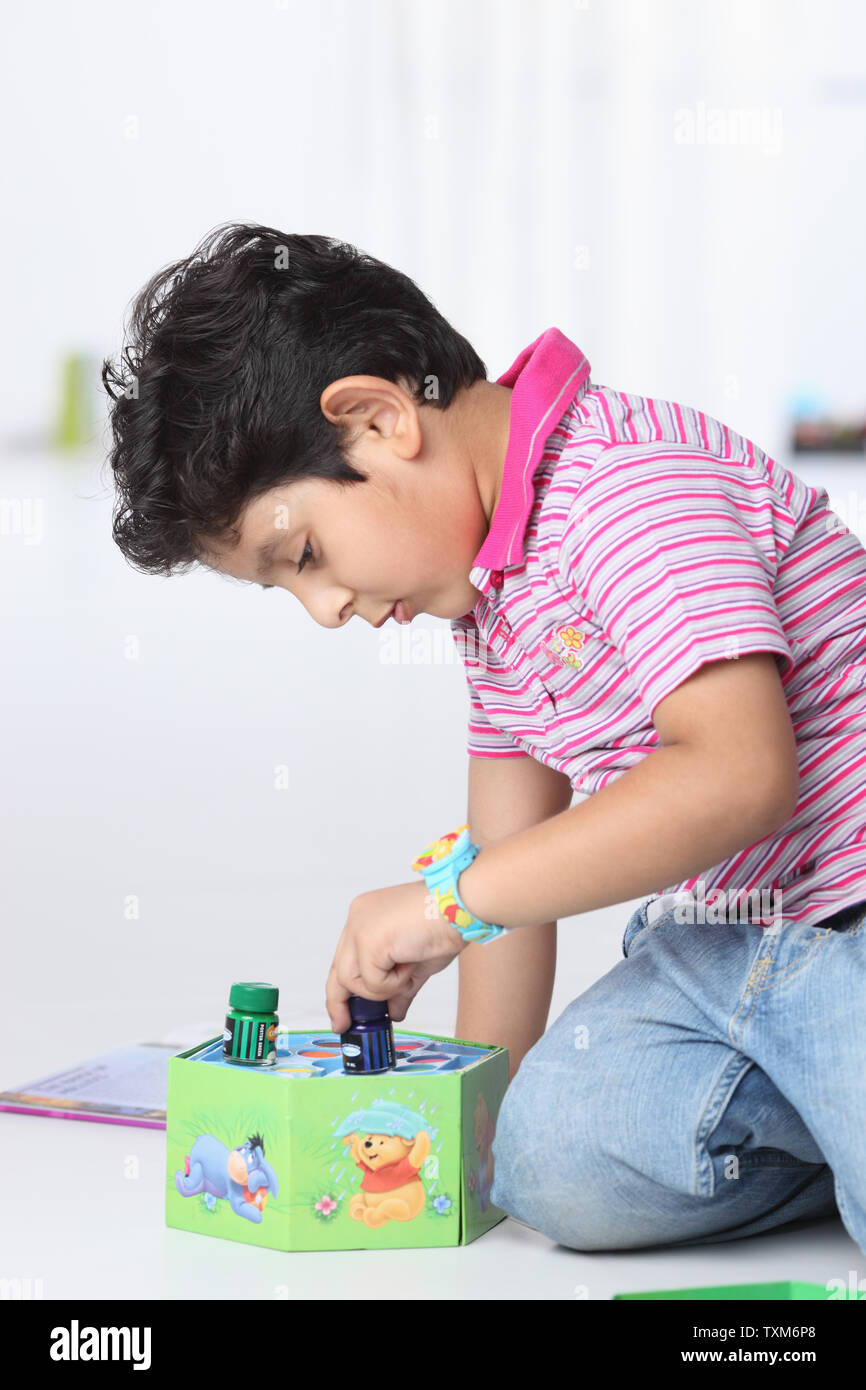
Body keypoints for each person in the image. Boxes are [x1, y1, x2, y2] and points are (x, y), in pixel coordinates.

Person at [103, 222, 866, 1254]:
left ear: (376, 420)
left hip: (847, 928)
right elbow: (505, 876)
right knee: (542, 1160)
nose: (325, 609)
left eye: (306, 554)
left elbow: (736, 774)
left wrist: (444, 904)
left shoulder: (626, 489)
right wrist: (464, 1139)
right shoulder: (489, 607)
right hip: (718, 951)